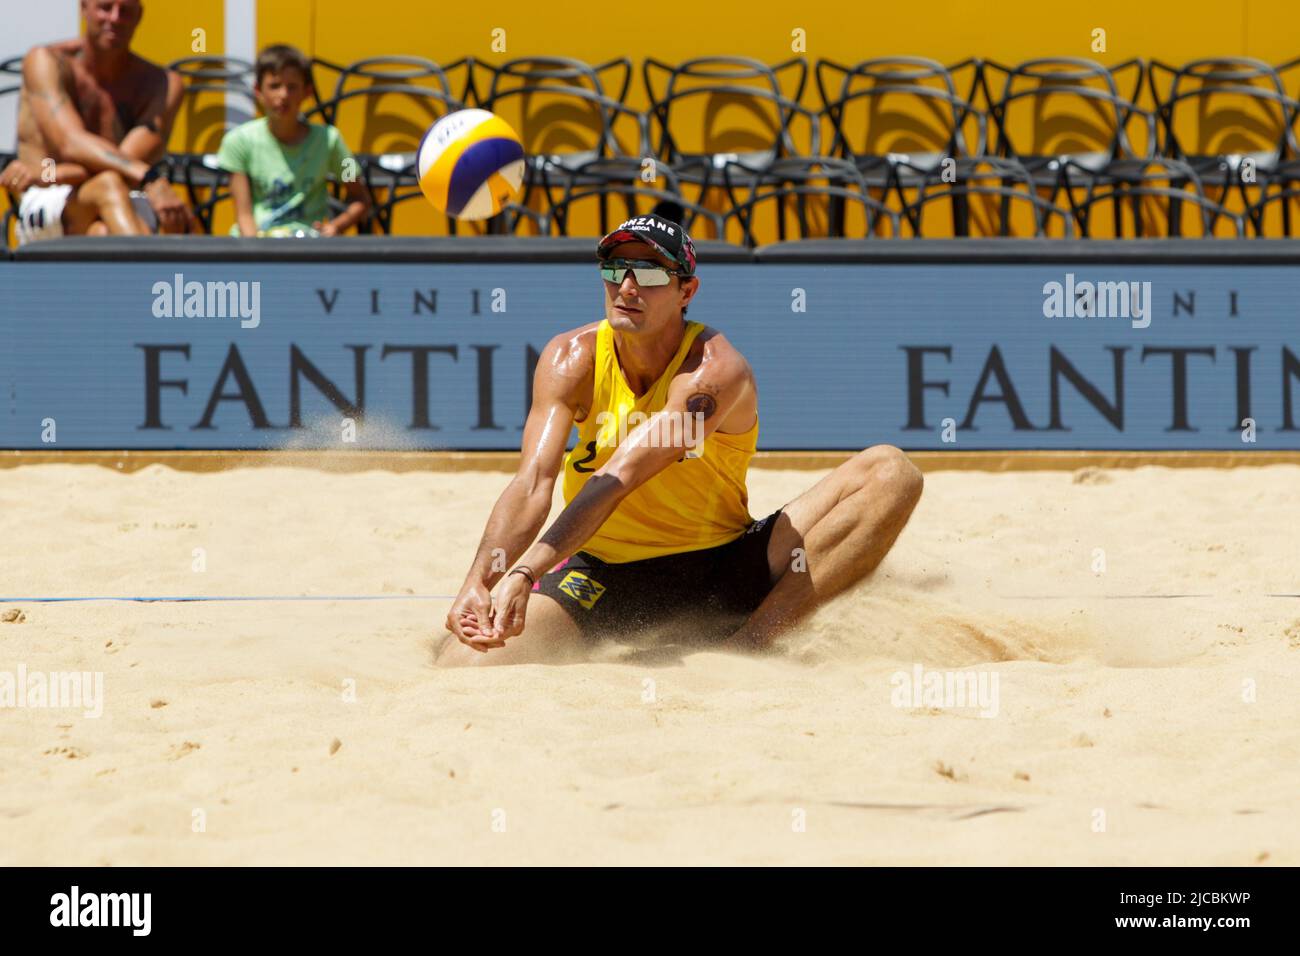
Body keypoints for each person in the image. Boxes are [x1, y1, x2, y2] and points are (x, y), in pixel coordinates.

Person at [438, 213, 924, 666]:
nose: (627, 286)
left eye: (649, 273)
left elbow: (619, 477)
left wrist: (524, 571)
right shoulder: (570, 358)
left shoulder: (715, 371)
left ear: (686, 290)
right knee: (463, 660)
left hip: (726, 564)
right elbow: (531, 484)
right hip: (604, 572)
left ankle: (753, 644)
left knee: (892, 470)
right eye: (615, 268)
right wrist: (480, 581)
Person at [3, 0, 193, 244]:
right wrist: (150, 177)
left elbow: (117, 164)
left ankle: (146, 277)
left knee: (103, 227)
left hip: (118, 196)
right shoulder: (46, 61)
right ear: (83, 8)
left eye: (125, 10)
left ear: (139, 16)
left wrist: (46, 172)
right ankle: (159, 279)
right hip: (46, 198)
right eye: (105, 7)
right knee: (109, 185)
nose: (114, 18)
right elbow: (70, 143)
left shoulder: (162, 84)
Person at [217, 44, 369, 237]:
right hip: (256, 247)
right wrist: (257, 256)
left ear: (307, 92)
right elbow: (244, 215)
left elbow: (360, 198)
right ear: (258, 90)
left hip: (308, 250)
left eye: (292, 87)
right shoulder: (237, 141)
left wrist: (337, 226)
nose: (283, 95)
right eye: (274, 86)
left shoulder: (331, 140)